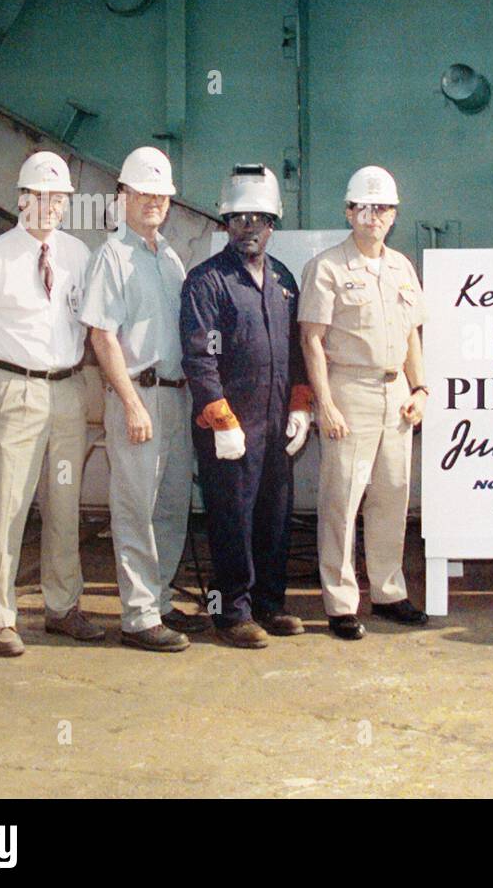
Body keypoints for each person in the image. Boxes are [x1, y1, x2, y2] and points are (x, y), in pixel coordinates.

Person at [0, 150, 103, 657]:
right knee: (6, 504)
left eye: (60, 198)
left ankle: (63, 608)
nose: (53, 206)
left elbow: (86, 322)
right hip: (15, 391)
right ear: (22, 199)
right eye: (43, 196)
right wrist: (5, 374)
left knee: (64, 504)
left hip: (67, 391)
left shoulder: (77, 256)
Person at [80, 147, 208, 653]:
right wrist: (131, 403)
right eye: (143, 193)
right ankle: (137, 616)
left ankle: (159, 597)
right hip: (140, 396)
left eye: (161, 195)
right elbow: (102, 337)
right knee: (135, 507)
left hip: (175, 396)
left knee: (172, 505)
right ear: (123, 197)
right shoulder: (111, 257)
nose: (153, 202)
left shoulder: (170, 257)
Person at [180, 165, 313, 649]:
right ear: (224, 223)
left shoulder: (283, 280)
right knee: (231, 517)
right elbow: (199, 356)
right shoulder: (206, 282)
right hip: (230, 426)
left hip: (276, 420)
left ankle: (269, 604)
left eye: (258, 218)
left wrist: (301, 405)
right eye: (238, 218)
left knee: (274, 514)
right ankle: (232, 611)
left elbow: (298, 349)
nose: (249, 227)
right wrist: (221, 418)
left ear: (273, 223)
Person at [299, 165, 428, 640]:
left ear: (394, 215)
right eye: (364, 208)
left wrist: (422, 389)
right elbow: (312, 339)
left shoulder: (401, 267)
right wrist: (325, 404)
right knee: (342, 500)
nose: (373, 216)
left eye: (383, 208)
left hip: (396, 393)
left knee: (392, 495)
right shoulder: (328, 267)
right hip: (349, 389)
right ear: (349, 212)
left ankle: (389, 591)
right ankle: (340, 601)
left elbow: (413, 331)